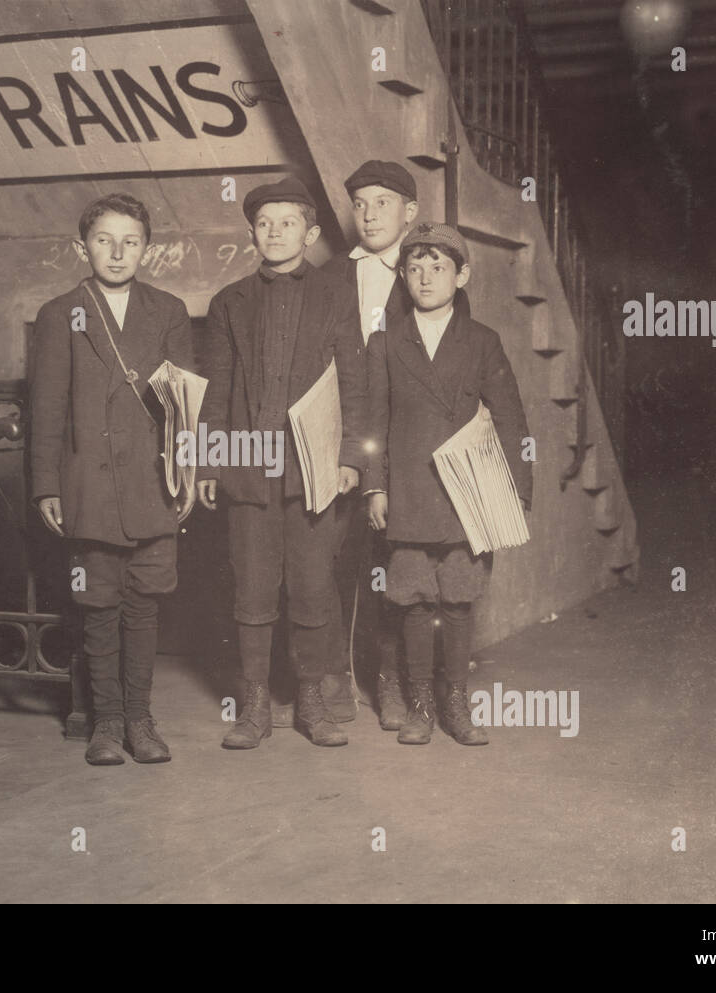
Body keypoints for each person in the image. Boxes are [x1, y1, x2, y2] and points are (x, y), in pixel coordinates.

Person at [197, 176, 366, 748]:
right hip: (249, 467)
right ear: (252, 233)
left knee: (314, 586)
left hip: (315, 468)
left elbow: (357, 383)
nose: (275, 232)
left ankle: (312, 703)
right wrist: (209, 464)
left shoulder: (338, 296)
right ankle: (254, 707)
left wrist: (350, 459)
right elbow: (215, 390)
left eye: (287, 222)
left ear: (311, 232)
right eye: (264, 224)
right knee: (252, 589)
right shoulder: (228, 302)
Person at [29, 193, 194, 765]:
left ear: (147, 249)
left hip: (153, 484)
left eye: (131, 241)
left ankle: (141, 721)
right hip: (89, 489)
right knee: (96, 607)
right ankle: (106, 723)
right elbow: (46, 407)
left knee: (144, 607)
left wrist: (189, 469)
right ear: (82, 247)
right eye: (104, 240)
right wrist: (46, 484)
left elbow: (185, 405)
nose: (118, 252)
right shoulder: (60, 314)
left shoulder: (169, 310)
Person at [365, 223, 532, 745]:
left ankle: (455, 700)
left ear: (461, 275)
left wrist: (515, 492)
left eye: (438, 267)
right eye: (414, 267)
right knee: (413, 600)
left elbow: (510, 420)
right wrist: (374, 485)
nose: (425, 277)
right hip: (410, 494)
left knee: (458, 599)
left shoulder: (483, 342)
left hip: (468, 495)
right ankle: (419, 705)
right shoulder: (385, 341)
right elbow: (372, 424)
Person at [321, 160, 420, 730]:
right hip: (338, 443)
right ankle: (332, 683)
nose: (370, 213)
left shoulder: (428, 272)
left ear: (410, 212)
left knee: (391, 567)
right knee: (331, 563)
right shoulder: (329, 276)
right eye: (360, 203)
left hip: (400, 445)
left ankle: (390, 684)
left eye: (383, 202)